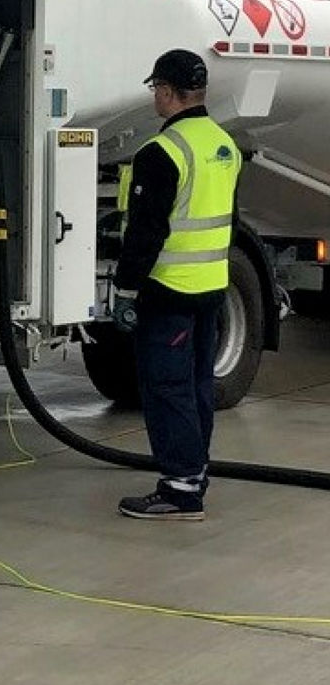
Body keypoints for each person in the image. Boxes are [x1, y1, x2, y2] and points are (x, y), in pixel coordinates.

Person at [111, 48, 241, 521]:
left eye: (156, 90)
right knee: (196, 385)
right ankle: (193, 471)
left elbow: (147, 232)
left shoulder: (162, 152)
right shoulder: (223, 145)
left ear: (167, 92)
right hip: (211, 287)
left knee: (168, 388)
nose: (155, 98)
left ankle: (181, 489)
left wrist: (124, 290)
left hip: (169, 290)